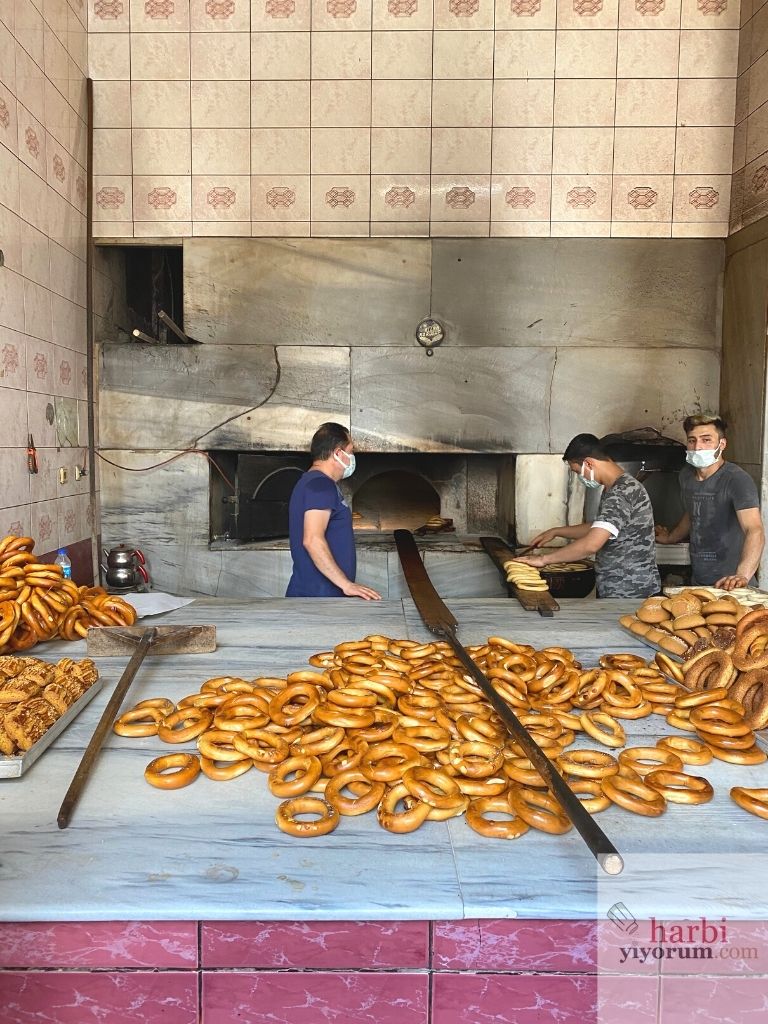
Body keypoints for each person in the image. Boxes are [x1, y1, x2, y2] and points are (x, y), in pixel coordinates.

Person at [515, 433, 660, 599]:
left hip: (630, 591)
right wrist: (556, 531)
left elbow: (591, 544)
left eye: (578, 472)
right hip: (618, 587)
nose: (580, 478)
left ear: (589, 463)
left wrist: (544, 560)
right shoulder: (613, 488)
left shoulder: (622, 492)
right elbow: (599, 528)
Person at [655, 414, 764, 591]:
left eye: (706, 440)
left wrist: (741, 575)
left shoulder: (737, 480)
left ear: (722, 444)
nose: (698, 447)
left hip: (733, 586)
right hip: (699, 581)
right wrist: (670, 537)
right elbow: (693, 514)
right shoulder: (686, 476)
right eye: (692, 440)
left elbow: (754, 530)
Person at [285, 422, 381, 600]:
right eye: (350, 451)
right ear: (338, 453)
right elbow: (312, 540)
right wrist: (346, 585)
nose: (352, 457)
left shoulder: (311, 482)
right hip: (319, 599)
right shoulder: (320, 485)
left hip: (317, 595)